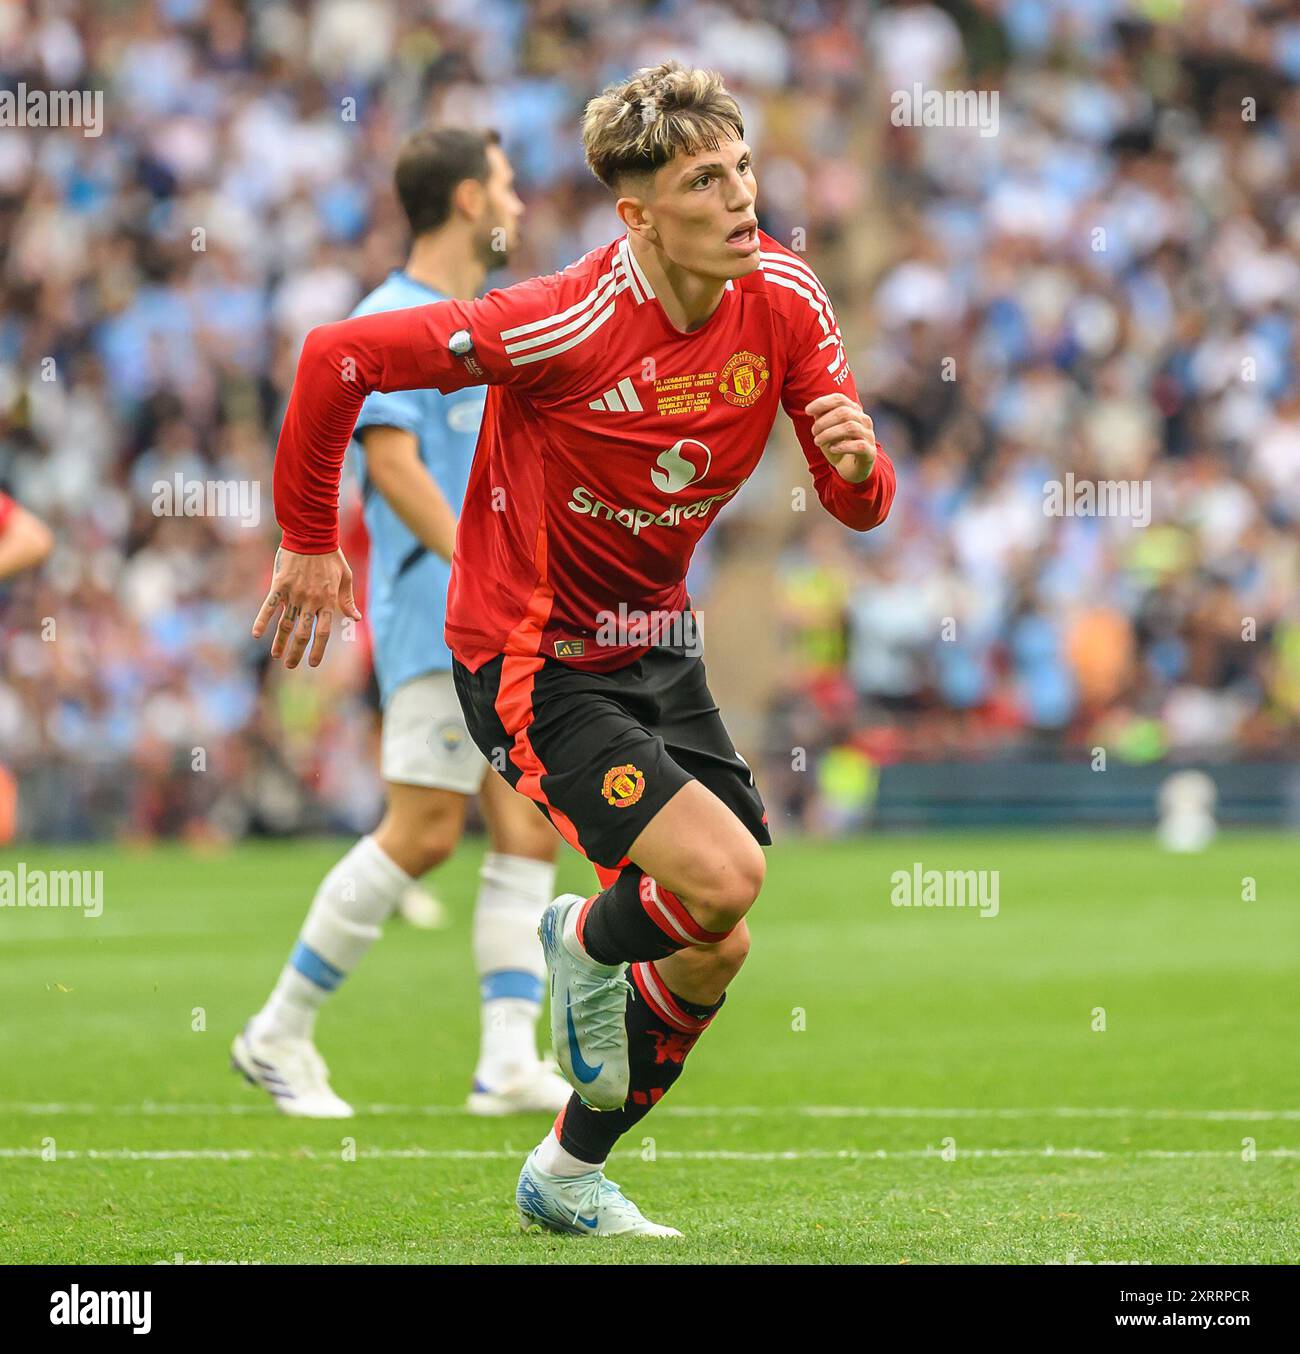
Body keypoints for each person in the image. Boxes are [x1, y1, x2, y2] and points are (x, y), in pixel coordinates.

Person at [253, 61, 895, 1235]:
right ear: (638, 216)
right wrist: (307, 539)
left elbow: (858, 496)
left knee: (716, 942)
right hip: (529, 656)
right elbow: (332, 360)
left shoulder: (788, 298)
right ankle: (576, 941)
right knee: (724, 878)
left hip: (656, 646)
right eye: (706, 179)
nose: (742, 194)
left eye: (743, 164)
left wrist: (860, 475)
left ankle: (562, 1173)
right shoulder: (560, 319)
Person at [234, 128, 568, 1120]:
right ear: (469, 198)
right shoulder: (389, 318)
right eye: (505, 184)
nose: (516, 203)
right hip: (441, 613)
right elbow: (390, 468)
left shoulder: (483, 319)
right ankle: (276, 1030)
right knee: (423, 829)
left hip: (503, 615)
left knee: (531, 818)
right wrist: (488, 571)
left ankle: (507, 1055)